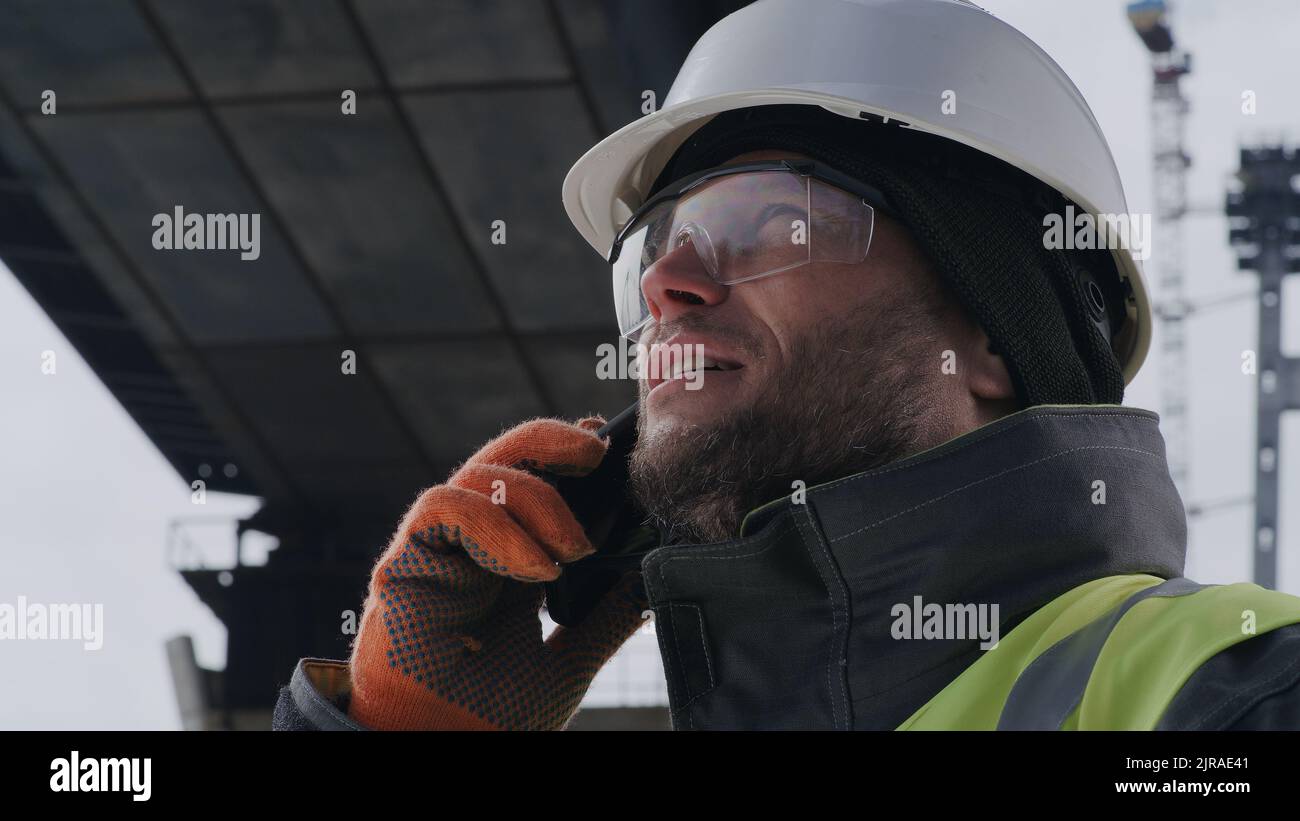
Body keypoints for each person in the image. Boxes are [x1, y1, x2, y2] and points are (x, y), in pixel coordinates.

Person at [273, 0, 1300, 731]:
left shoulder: (1224, 692)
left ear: (993, 332)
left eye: (769, 221)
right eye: (655, 243)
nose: (668, 279)